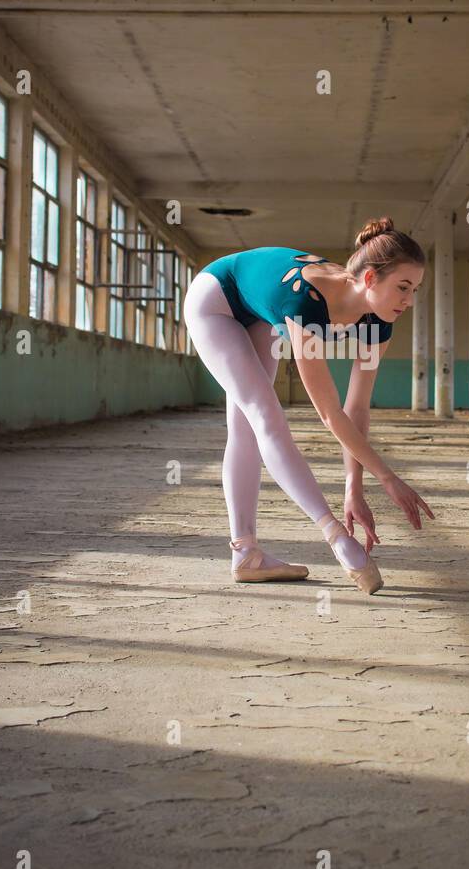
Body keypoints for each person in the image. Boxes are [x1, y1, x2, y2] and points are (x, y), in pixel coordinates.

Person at [183, 216, 434, 594]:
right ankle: (335, 538)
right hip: (216, 298)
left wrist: (355, 487)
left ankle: (246, 557)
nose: (409, 301)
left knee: (247, 427)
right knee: (264, 415)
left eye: (414, 289)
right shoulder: (306, 303)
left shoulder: (378, 323)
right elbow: (329, 413)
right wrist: (388, 477)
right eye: (402, 287)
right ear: (369, 279)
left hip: (258, 311)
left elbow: (356, 407)